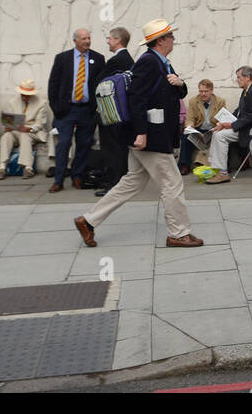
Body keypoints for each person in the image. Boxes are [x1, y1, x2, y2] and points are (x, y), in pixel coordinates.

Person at [73, 19, 204, 249]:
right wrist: (141, 133)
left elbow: (177, 92)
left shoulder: (162, 62)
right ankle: (179, 233)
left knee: (131, 182)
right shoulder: (149, 62)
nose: (173, 39)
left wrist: (180, 83)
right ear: (161, 41)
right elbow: (136, 98)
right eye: (170, 36)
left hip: (151, 135)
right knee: (172, 184)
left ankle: (88, 220)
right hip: (151, 137)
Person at [48, 28, 107, 193]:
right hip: (66, 110)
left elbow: (101, 84)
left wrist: (95, 107)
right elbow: (53, 85)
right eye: (83, 38)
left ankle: (77, 176)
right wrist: (56, 108)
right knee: (64, 144)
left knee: (84, 145)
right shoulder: (62, 58)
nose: (87, 41)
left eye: (89, 38)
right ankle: (58, 180)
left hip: (87, 111)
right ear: (75, 41)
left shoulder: (98, 58)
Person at [204, 66, 252, 184]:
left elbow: (251, 116)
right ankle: (217, 169)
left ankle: (223, 173)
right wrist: (223, 121)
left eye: (239, 77)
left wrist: (231, 125)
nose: (237, 80)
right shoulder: (247, 90)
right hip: (247, 128)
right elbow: (239, 111)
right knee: (217, 133)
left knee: (220, 136)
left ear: (248, 77)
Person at [95, 27, 134, 195]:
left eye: (109, 38)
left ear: (118, 40)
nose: (108, 41)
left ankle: (115, 184)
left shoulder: (117, 61)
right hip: (120, 113)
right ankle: (118, 182)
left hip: (112, 114)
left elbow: (98, 83)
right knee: (118, 148)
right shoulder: (127, 59)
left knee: (113, 149)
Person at [0, 79, 49, 178]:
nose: (24, 97)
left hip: (33, 131)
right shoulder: (13, 102)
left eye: (27, 95)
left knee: (25, 136)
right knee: (6, 137)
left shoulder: (41, 103)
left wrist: (29, 129)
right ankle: (2, 167)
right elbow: (9, 120)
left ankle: (28, 168)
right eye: (23, 95)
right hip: (16, 130)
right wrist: (8, 127)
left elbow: (40, 123)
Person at [180, 79, 225, 173]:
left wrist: (219, 125)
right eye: (201, 91)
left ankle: (223, 166)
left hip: (213, 129)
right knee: (185, 136)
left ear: (211, 91)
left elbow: (223, 119)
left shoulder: (220, 101)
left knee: (222, 136)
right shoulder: (193, 101)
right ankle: (184, 165)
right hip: (199, 129)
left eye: (206, 91)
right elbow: (190, 119)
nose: (203, 94)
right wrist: (190, 126)